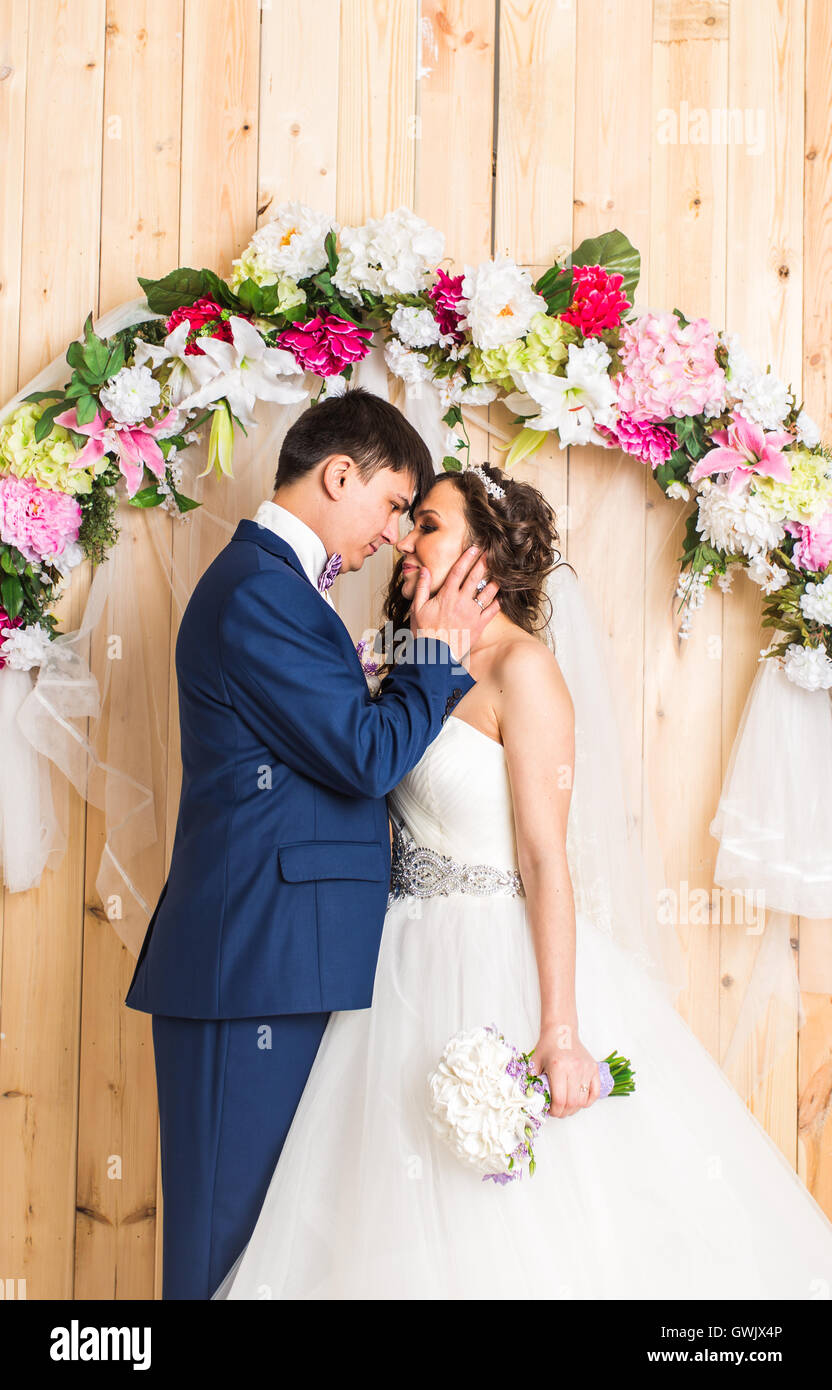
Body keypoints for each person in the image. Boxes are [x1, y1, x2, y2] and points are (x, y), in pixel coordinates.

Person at [212, 459, 832, 1301]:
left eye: (427, 523)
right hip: (390, 966)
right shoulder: (403, 662)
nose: (404, 537)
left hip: (492, 961)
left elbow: (546, 859)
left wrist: (561, 1030)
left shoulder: (523, 671)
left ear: (486, 553)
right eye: (407, 519)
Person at [124, 387, 500, 1299]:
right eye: (393, 505)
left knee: (277, 1257)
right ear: (340, 474)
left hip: (291, 963)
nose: (397, 534)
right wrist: (438, 655)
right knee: (221, 1256)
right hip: (248, 965)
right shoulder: (260, 591)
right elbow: (363, 756)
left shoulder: (280, 589)